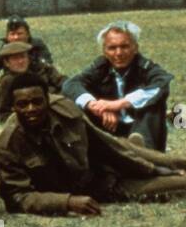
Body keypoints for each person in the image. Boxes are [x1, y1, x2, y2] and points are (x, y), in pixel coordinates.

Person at [0, 74, 186, 216]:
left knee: (173, 163)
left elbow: (104, 145)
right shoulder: (8, 146)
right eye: (22, 104)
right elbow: (18, 198)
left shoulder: (64, 109)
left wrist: (147, 167)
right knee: (181, 184)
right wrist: (66, 202)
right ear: (13, 107)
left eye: (37, 101)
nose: (31, 109)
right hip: (100, 187)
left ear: (47, 99)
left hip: (108, 160)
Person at [62, 20, 173, 150]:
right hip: (109, 127)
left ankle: (141, 149)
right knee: (76, 103)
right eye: (112, 48)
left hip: (140, 128)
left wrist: (118, 104)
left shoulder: (146, 68)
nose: (119, 53)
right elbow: (71, 84)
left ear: (135, 48)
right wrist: (95, 106)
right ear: (104, 51)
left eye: (124, 46)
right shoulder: (100, 68)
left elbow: (161, 85)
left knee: (154, 103)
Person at [0, 16, 55, 116]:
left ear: (28, 35)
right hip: (12, 90)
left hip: (37, 89)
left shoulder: (37, 47)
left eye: (19, 34)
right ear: (7, 37)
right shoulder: (5, 51)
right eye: (12, 34)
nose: (16, 38)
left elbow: (49, 71)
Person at [0, 40, 64, 120]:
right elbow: (2, 112)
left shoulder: (40, 70)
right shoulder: (7, 81)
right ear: (7, 63)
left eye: (23, 57)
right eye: (15, 59)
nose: (20, 61)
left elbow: (62, 82)